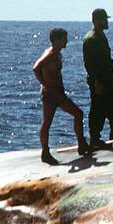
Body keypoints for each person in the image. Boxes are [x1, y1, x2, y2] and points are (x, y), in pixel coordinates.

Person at [33, 27, 89, 165]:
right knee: (47, 122)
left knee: (78, 114)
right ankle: (45, 152)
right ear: (57, 40)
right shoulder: (50, 53)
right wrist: (44, 84)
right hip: (51, 93)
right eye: (64, 38)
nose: (66, 41)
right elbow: (36, 68)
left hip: (58, 92)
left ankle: (82, 144)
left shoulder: (57, 54)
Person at [82, 8, 113, 150]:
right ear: (96, 20)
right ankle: (95, 138)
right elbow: (89, 63)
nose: (106, 22)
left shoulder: (100, 36)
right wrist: (96, 81)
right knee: (98, 109)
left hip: (108, 77)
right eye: (104, 19)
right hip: (100, 79)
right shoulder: (91, 39)